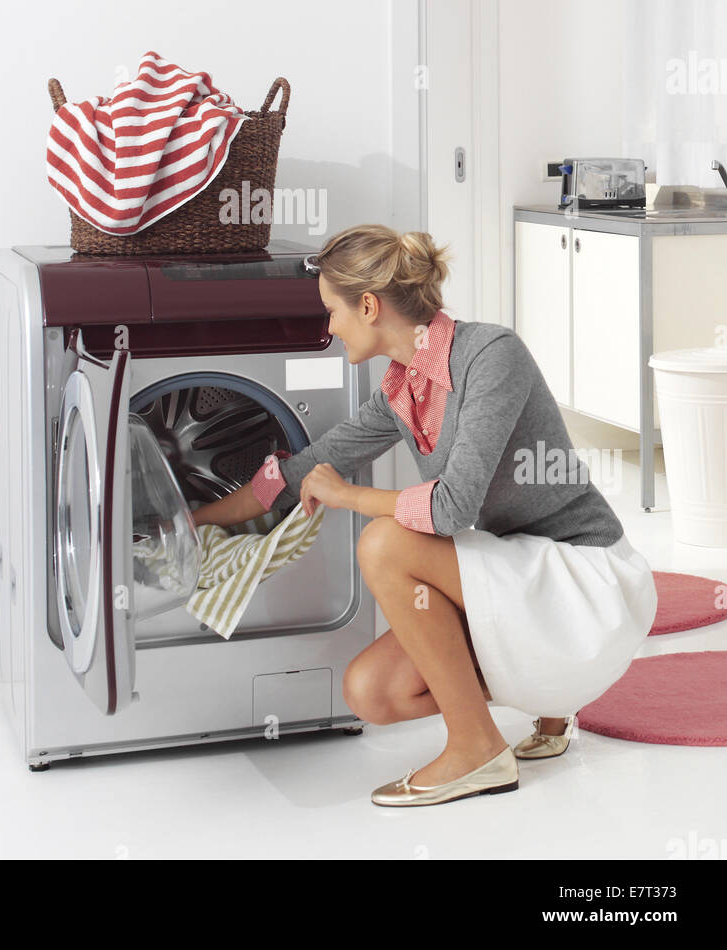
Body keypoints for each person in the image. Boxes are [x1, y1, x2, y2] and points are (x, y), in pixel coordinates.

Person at [190, 224, 658, 807]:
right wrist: (197, 520)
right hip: (519, 586)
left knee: (384, 543)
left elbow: (454, 506)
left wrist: (351, 497)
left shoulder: (493, 356)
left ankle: (477, 752)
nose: (329, 327)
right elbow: (297, 472)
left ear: (368, 305)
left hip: (585, 586)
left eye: (332, 312)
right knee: (372, 692)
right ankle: (551, 696)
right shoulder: (402, 390)